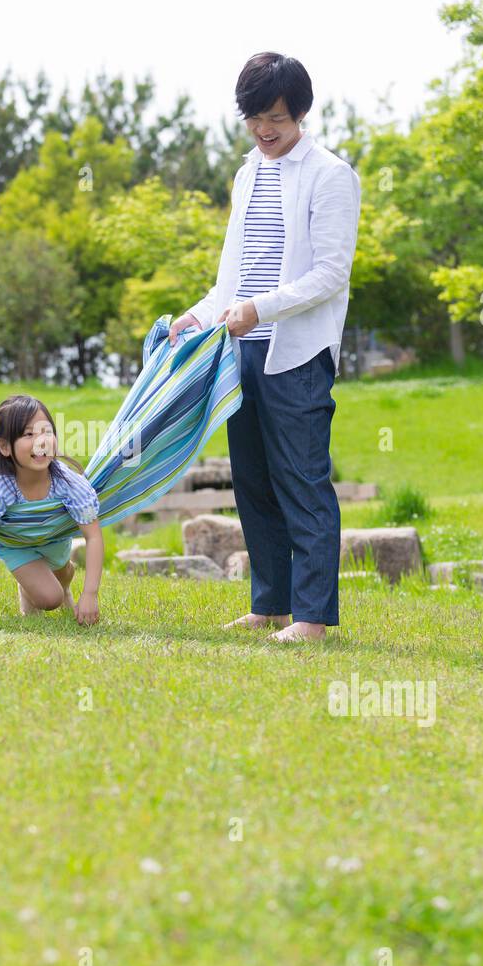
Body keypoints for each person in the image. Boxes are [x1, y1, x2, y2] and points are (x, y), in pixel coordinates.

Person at [169, 52, 361, 642]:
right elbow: (238, 272)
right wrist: (200, 313)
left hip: (296, 354)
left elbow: (330, 273)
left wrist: (260, 309)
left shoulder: (331, 175)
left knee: (301, 481)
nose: (265, 129)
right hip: (240, 350)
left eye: (275, 116)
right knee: (251, 480)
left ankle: (311, 618)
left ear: (300, 111)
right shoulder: (248, 172)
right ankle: (270, 604)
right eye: (254, 117)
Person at [0, 395, 104, 626]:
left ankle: (60, 578)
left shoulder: (69, 483)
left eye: (46, 432)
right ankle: (28, 584)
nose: (41, 441)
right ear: (5, 446)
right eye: (29, 434)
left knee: (64, 577)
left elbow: (94, 536)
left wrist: (90, 595)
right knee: (50, 598)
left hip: (55, 540)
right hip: (18, 545)